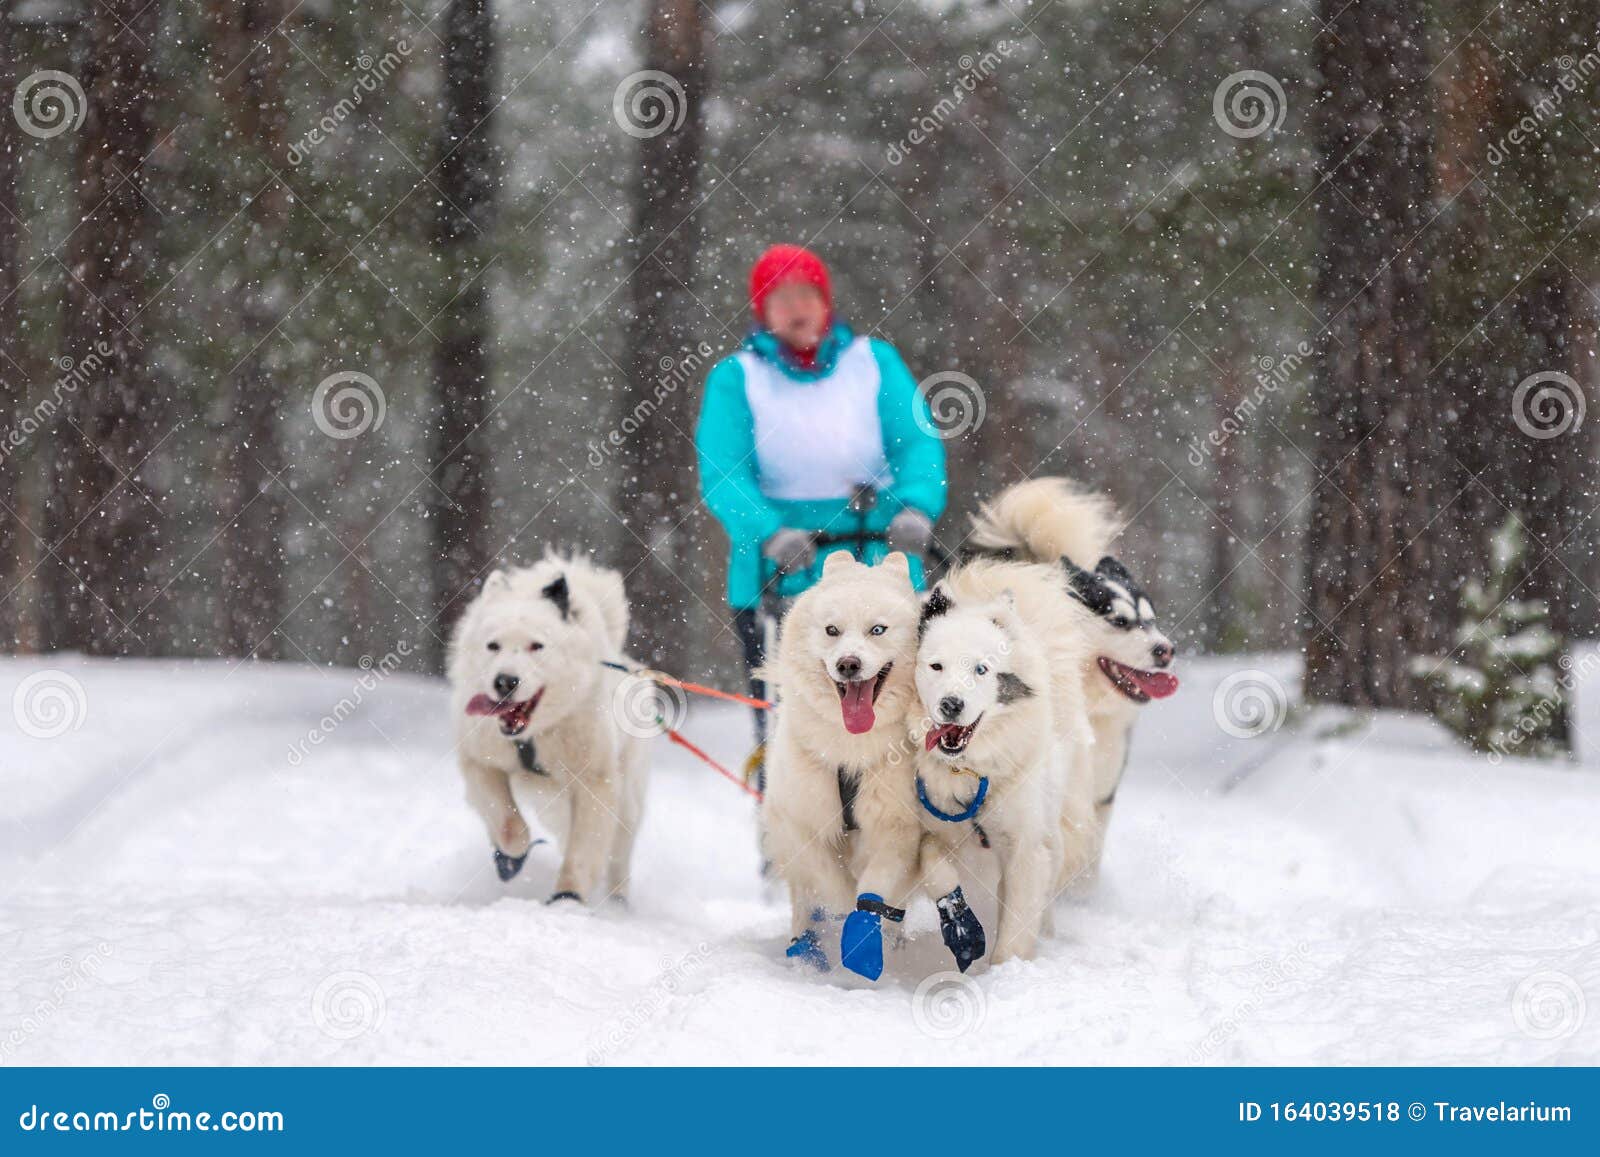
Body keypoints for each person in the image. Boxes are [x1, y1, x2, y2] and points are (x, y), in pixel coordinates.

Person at [695, 243, 948, 750]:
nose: (796, 308)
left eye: (806, 294)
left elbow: (917, 442)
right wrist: (769, 532)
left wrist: (915, 506)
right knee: (795, 729)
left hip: (879, 553)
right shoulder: (736, 378)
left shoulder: (873, 361)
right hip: (781, 572)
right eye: (780, 298)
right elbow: (723, 474)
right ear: (762, 311)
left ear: (826, 301)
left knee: (901, 718)